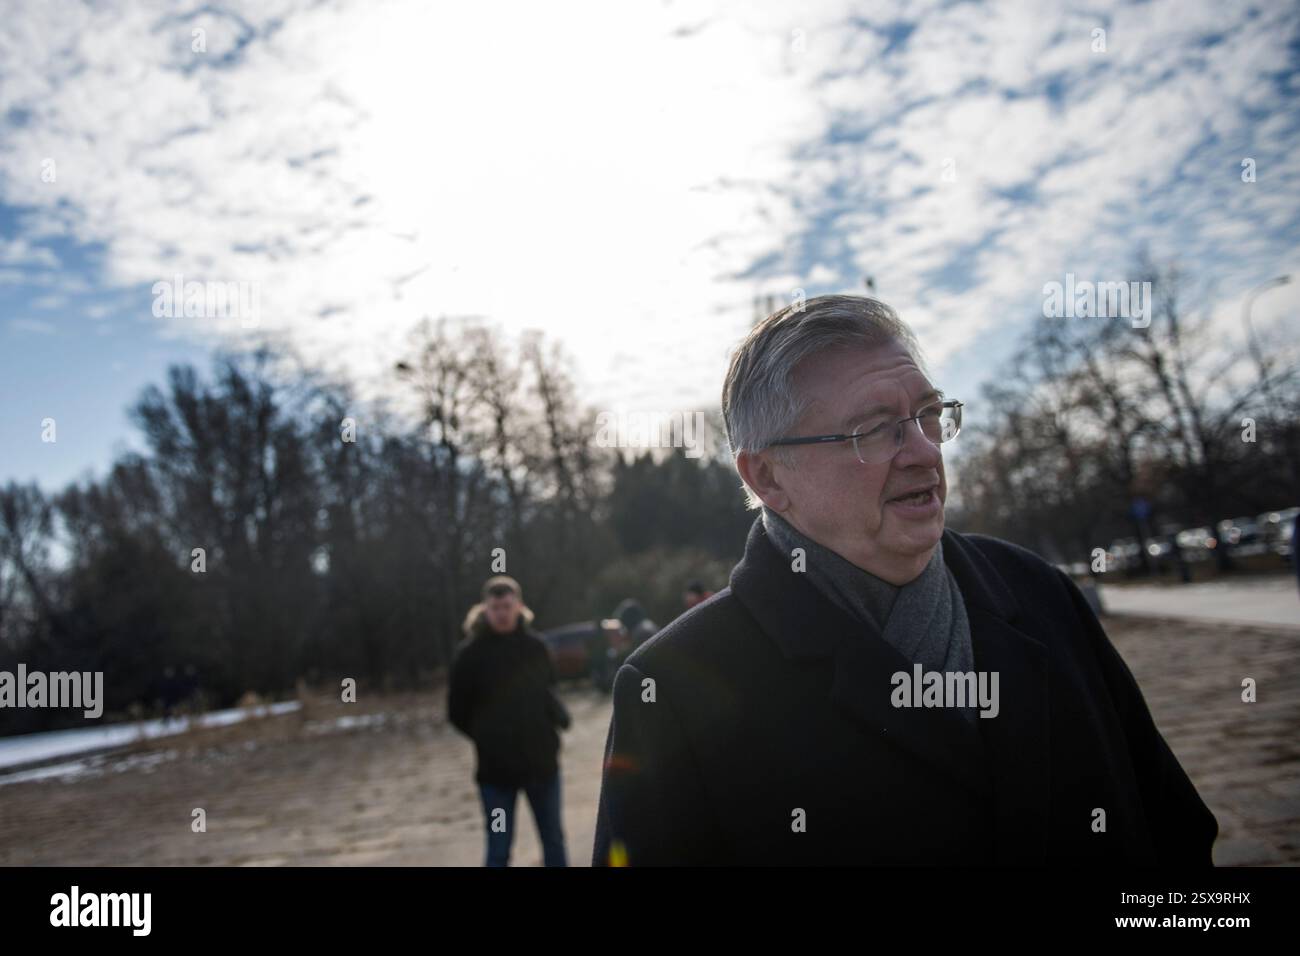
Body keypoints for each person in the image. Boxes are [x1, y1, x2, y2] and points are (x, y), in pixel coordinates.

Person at [592, 294, 1218, 866]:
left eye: (927, 414)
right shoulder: (670, 692)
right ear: (768, 478)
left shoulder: (1036, 591)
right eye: (874, 430)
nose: (923, 451)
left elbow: (1177, 837)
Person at [449, 575, 570, 866]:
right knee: (499, 848)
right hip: (496, 774)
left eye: (507, 606)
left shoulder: (536, 648)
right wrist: (488, 737)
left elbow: (547, 691)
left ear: (519, 606)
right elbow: (456, 713)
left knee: (553, 840)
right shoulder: (469, 656)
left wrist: (555, 721)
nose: (502, 613)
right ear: (484, 610)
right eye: (495, 607)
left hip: (542, 766)